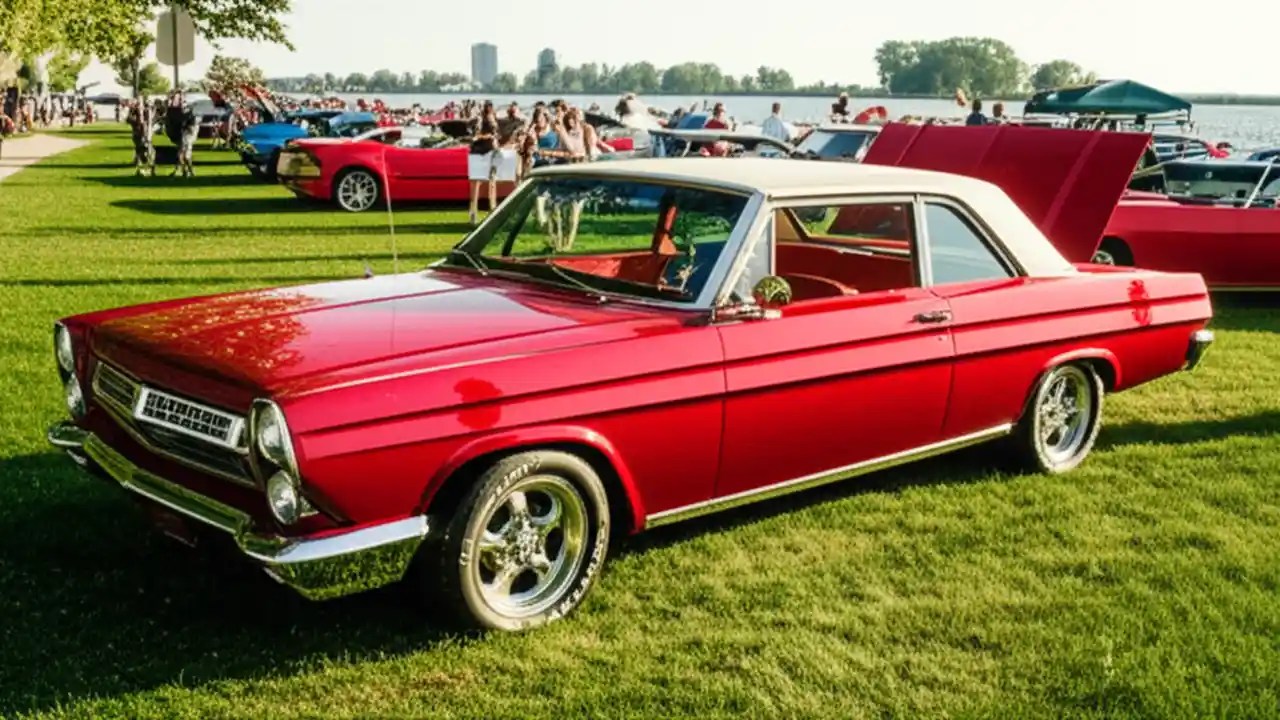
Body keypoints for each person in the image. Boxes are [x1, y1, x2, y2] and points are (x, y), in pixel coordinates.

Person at [467, 100, 500, 225]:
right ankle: (474, 210)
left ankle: (491, 208)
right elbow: (473, 134)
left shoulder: (491, 119)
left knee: (491, 181)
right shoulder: (478, 120)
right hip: (478, 151)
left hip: (488, 151)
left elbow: (494, 134)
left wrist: (482, 137)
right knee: (477, 182)